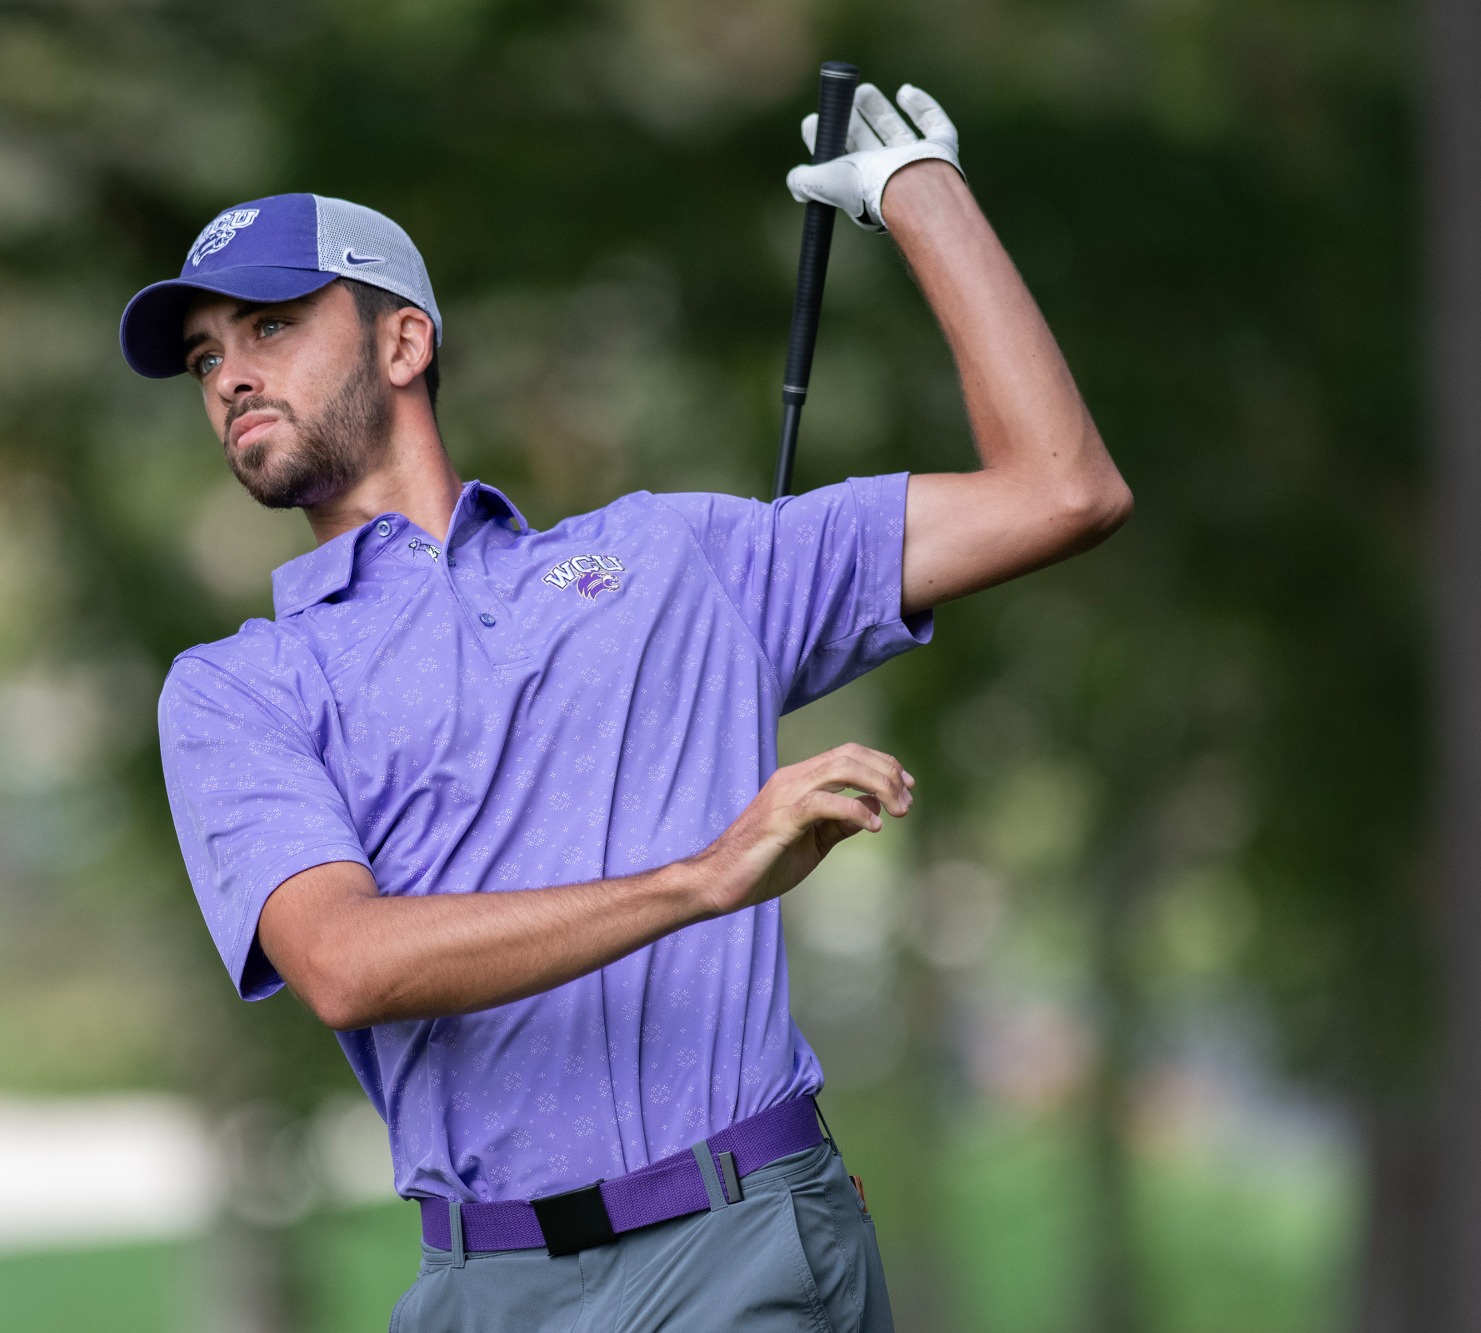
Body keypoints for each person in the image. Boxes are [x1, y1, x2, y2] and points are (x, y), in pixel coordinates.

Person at [122, 83, 1129, 1330]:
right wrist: (703, 878)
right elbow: (345, 962)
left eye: (269, 326)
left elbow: (1060, 490)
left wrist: (917, 192)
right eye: (207, 355)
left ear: (402, 343)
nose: (230, 376)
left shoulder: (672, 560)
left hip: (739, 1247)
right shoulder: (237, 687)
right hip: (476, 1286)